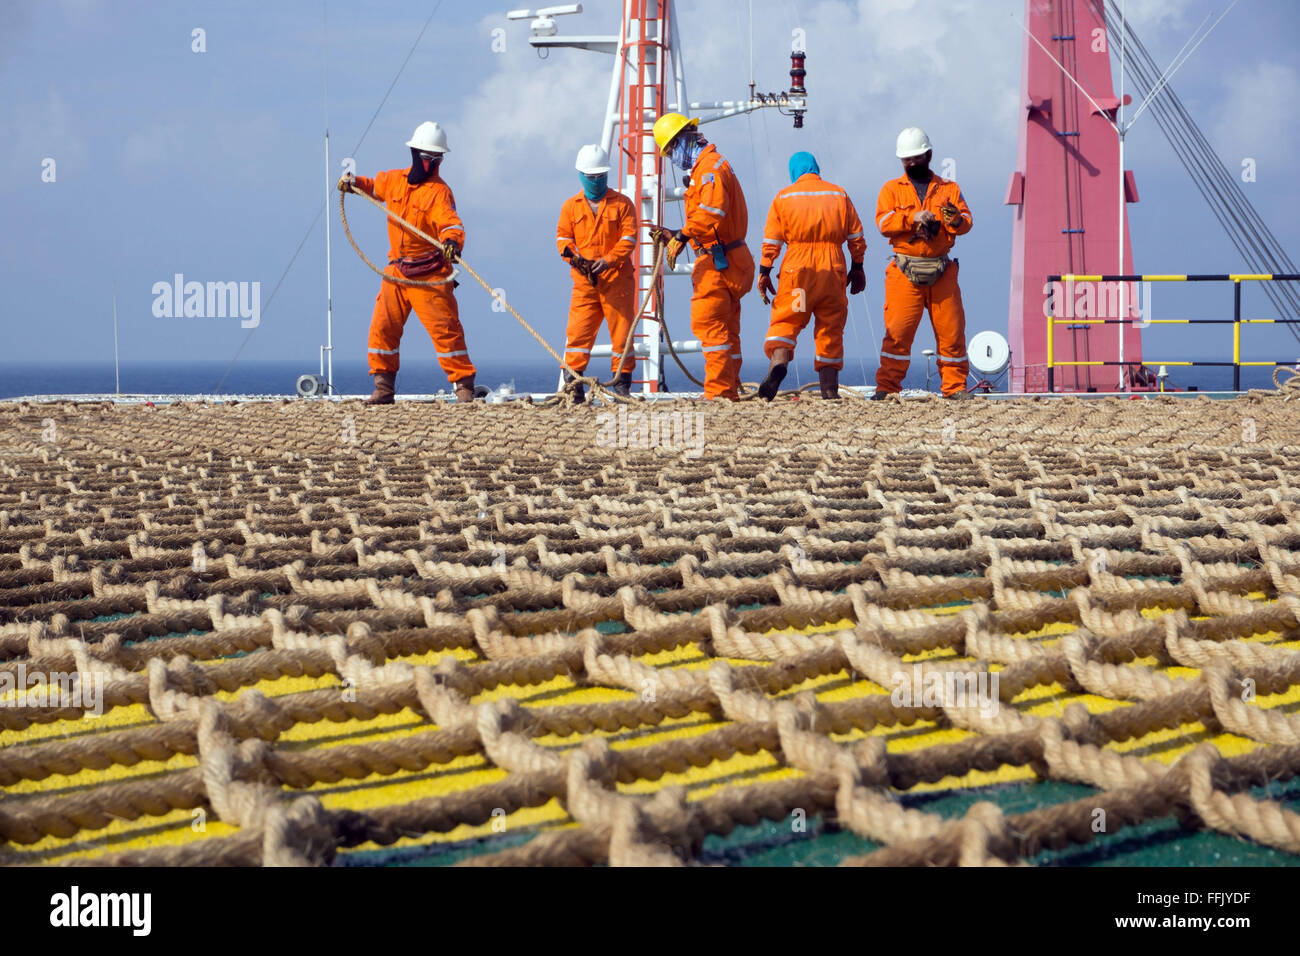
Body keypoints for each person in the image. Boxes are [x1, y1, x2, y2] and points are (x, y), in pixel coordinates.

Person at [339, 121, 477, 404]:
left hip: (430, 275)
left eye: (437, 160)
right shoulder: (394, 180)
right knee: (382, 328)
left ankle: (464, 388)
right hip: (397, 272)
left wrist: (452, 242)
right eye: (428, 158)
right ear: (414, 153)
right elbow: (373, 186)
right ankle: (383, 388)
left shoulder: (439, 192)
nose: (432, 164)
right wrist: (353, 184)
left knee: (446, 332)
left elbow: (450, 223)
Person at [651, 113, 754, 401]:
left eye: (671, 150)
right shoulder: (709, 167)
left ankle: (719, 393)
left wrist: (683, 236)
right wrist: (678, 233)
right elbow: (710, 220)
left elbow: (712, 213)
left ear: (684, 138)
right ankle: (728, 388)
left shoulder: (708, 169)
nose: (672, 157)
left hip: (718, 262)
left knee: (710, 325)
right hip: (729, 256)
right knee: (727, 329)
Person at [757, 152, 867, 400]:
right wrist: (857, 267)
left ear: (794, 172)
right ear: (816, 168)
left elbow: (771, 241)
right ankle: (829, 390)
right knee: (830, 327)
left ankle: (779, 362)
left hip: (799, 273)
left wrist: (765, 271)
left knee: (788, 320)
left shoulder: (784, 197)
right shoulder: (839, 194)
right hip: (832, 271)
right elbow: (856, 238)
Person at [872, 127, 973, 399]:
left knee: (951, 332)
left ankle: (954, 389)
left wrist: (953, 220)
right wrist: (913, 218)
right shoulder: (891, 189)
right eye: (907, 159)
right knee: (898, 333)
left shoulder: (949, 189)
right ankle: (887, 388)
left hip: (941, 270)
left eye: (917, 157)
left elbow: (965, 223)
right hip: (904, 270)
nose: (912, 162)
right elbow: (883, 223)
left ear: (929, 154)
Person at [555, 145, 639, 401]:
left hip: (617, 281)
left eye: (600, 176)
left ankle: (622, 388)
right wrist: (576, 259)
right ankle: (574, 386)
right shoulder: (571, 207)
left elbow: (629, 237)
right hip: (585, 283)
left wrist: (608, 260)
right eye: (591, 177)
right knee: (577, 335)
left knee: (622, 336)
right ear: (581, 175)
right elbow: (562, 239)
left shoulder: (623, 204)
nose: (596, 181)